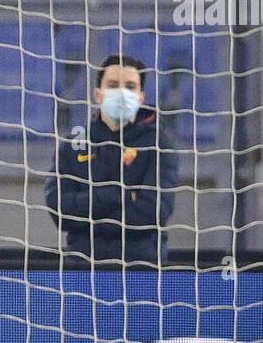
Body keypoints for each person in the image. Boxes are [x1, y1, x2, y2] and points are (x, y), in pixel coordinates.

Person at [44, 54, 177, 264]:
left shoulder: (160, 143)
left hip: (142, 271)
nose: (122, 93)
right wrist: (119, 195)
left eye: (130, 86)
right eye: (113, 85)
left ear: (141, 97)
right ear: (98, 94)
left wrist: (90, 218)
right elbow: (60, 209)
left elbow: (155, 211)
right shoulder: (72, 144)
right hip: (82, 272)